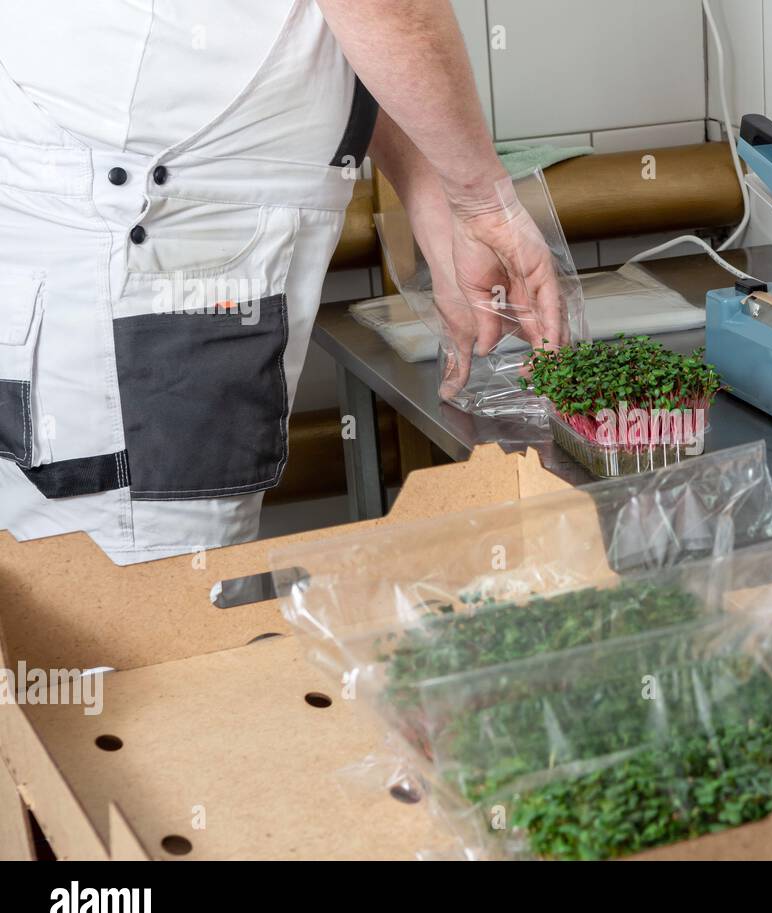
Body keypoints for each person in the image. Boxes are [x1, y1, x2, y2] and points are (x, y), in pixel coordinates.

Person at [0, 0, 565, 564]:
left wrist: (434, 193)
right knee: (148, 589)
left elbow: (349, 24)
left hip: (156, 225)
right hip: (136, 250)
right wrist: (481, 201)